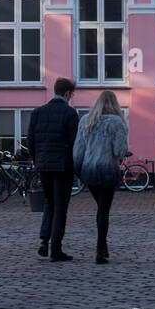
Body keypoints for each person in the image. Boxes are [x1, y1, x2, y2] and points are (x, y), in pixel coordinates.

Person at [72, 90, 131, 265]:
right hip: (108, 170)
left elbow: (78, 150)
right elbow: (118, 151)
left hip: (89, 170)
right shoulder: (117, 122)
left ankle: (103, 246)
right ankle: (100, 249)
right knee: (104, 210)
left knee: (101, 208)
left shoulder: (86, 120)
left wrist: (78, 171)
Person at [26, 78, 79, 261]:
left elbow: (30, 142)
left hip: (44, 165)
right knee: (61, 207)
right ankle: (56, 248)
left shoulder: (38, 112)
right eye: (71, 94)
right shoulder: (70, 114)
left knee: (49, 202)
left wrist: (37, 160)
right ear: (67, 93)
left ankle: (43, 241)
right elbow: (75, 144)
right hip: (63, 167)